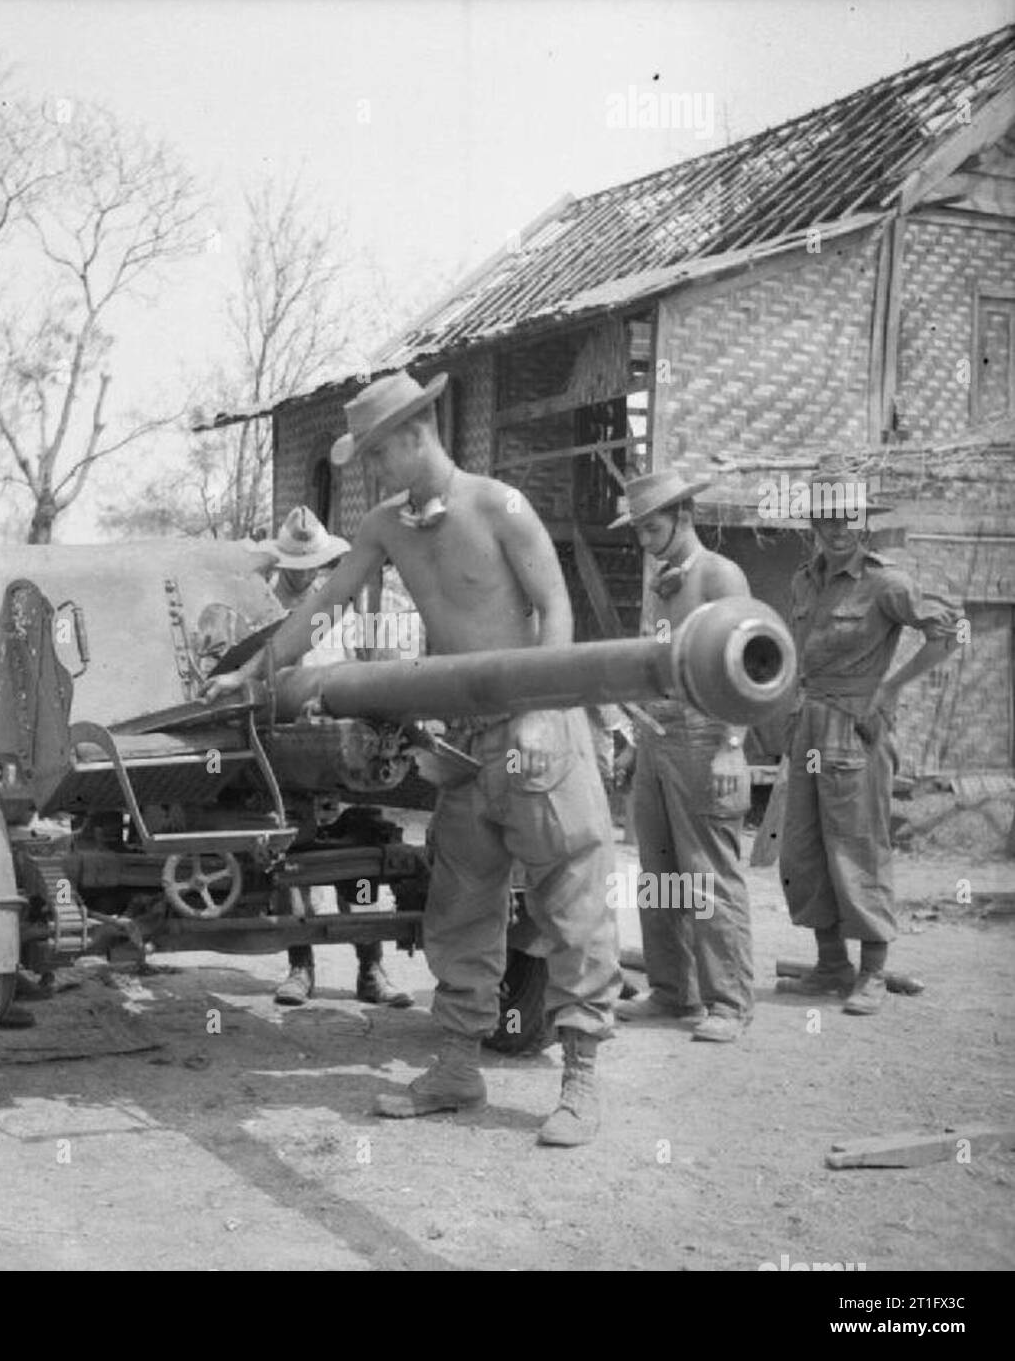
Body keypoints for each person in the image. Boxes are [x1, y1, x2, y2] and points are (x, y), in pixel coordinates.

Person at [208, 370, 621, 1148]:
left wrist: (538, 710)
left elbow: (555, 605)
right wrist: (255, 671)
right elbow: (322, 604)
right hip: (463, 745)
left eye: (375, 455)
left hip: (538, 734)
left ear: (412, 435)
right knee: (460, 910)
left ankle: (580, 1084)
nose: (372, 472)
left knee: (571, 901)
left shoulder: (499, 505)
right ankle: (458, 1069)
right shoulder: (387, 527)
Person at [776, 457, 962, 1015]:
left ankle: (873, 973)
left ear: (862, 523)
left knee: (859, 847)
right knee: (805, 848)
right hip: (809, 724)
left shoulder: (886, 581)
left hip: (856, 731)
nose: (836, 529)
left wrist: (891, 690)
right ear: (813, 522)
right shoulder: (801, 582)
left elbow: (948, 632)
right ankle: (831, 965)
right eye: (825, 519)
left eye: (846, 519)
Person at [610, 472, 755, 1042]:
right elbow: (653, 665)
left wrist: (732, 748)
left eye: (653, 528)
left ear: (684, 516)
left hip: (706, 733)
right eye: (640, 531)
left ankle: (730, 1003)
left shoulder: (720, 574)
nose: (646, 541)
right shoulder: (660, 582)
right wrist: (631, 740)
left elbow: (752, 663)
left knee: (708, 875)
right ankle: (673, 992)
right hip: (656, 736)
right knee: (659, 874)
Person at [254, 506, 413, 1010]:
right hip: (283, 747)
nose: (303, 575)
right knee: (289, 862)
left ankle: (371, 969)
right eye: (294, 566)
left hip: (342, 744)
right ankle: (300, 968)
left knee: (359, 858)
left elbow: (365, 666)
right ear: (280, 563)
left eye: (312, 566)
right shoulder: (259, 606)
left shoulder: (338, 608)